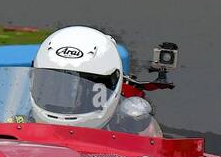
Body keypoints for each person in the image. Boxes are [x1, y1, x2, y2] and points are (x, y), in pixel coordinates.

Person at [28, 25, 161, 136]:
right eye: (52, 84)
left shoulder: (132, 127)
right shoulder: (19, 116)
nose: (66, 100)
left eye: (85, 88)